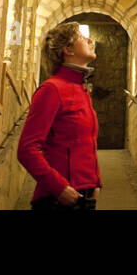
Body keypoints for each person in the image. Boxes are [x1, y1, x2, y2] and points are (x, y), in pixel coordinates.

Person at [17, 21, 102, 210]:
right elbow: (26, 149)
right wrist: (58, 187)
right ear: (67, 50)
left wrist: (94, 181)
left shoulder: (81, 90)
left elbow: (84, 144)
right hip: (57, 201)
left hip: (84, 198)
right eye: (81, 37)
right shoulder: (52, 89)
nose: (90, 40)